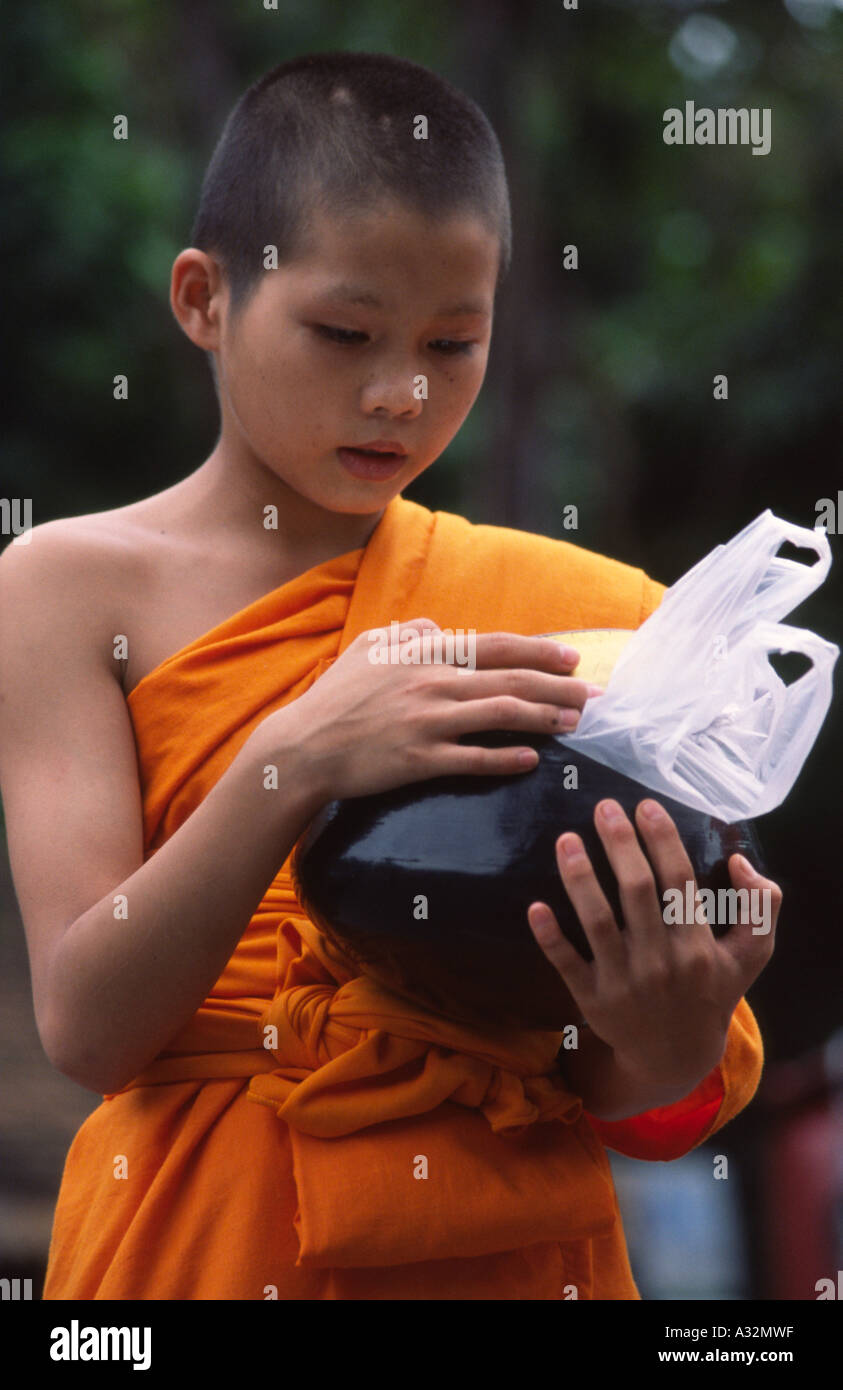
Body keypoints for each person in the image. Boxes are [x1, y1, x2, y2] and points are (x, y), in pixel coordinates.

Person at [0, 51, 778, 1300]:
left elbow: (649, 1092)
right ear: (204, 298)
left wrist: (667, 1026)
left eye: (454, 343)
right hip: (195, 1244)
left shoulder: (594, 617)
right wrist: (299, 753)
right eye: (344, 332)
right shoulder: (66, 586)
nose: (401, 393)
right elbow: (91, 1028)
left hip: (511, 1257)